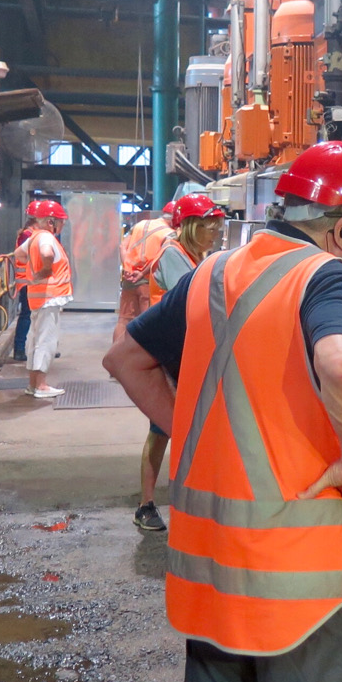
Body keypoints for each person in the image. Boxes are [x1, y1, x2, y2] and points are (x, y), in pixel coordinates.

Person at [103, 141, 342, 682]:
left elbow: (124, 360)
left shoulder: (210, 273)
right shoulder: (323, 274)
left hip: (209, 581)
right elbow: (338, 361)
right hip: (300, 591)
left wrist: (190, 432)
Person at [134, 193, 225, 533]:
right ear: (190, 227)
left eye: (217, 226)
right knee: (162, 430)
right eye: (209, 226)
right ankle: (146, 504)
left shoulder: (196, 255)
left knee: (184, 430)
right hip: (169, 356)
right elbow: (197, 301)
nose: (215, 232)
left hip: (188, 356)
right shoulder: (174, 256)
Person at [23, 199, 72, 399]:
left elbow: (18, 254)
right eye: (61, 222)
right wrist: (44, 270)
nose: (62, 227)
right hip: (49, 298)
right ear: (51, 222)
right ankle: (41, 386)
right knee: (46, 341)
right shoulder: (46, 238)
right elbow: (46, 254)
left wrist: (31, 274)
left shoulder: (33, 237)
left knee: (34, 341)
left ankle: (33, 384)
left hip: (37, 298)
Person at [114, 201, 175, 344]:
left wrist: (127, 267)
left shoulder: (140, 225)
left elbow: (122, 246)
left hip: (129, 278)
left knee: (124, 319)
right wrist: (142, 273)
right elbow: (161, 256)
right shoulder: (169, 233)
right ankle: (144, 359)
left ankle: (116, 355)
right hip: (148, 281)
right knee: (147, 322)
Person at [12, 216, 36, 361]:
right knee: (27, 315)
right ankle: (19, 349)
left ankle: (36, 348)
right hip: (27, 282)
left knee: (32, 316)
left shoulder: (29, 235)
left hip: (31, 281)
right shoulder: (27, 235)